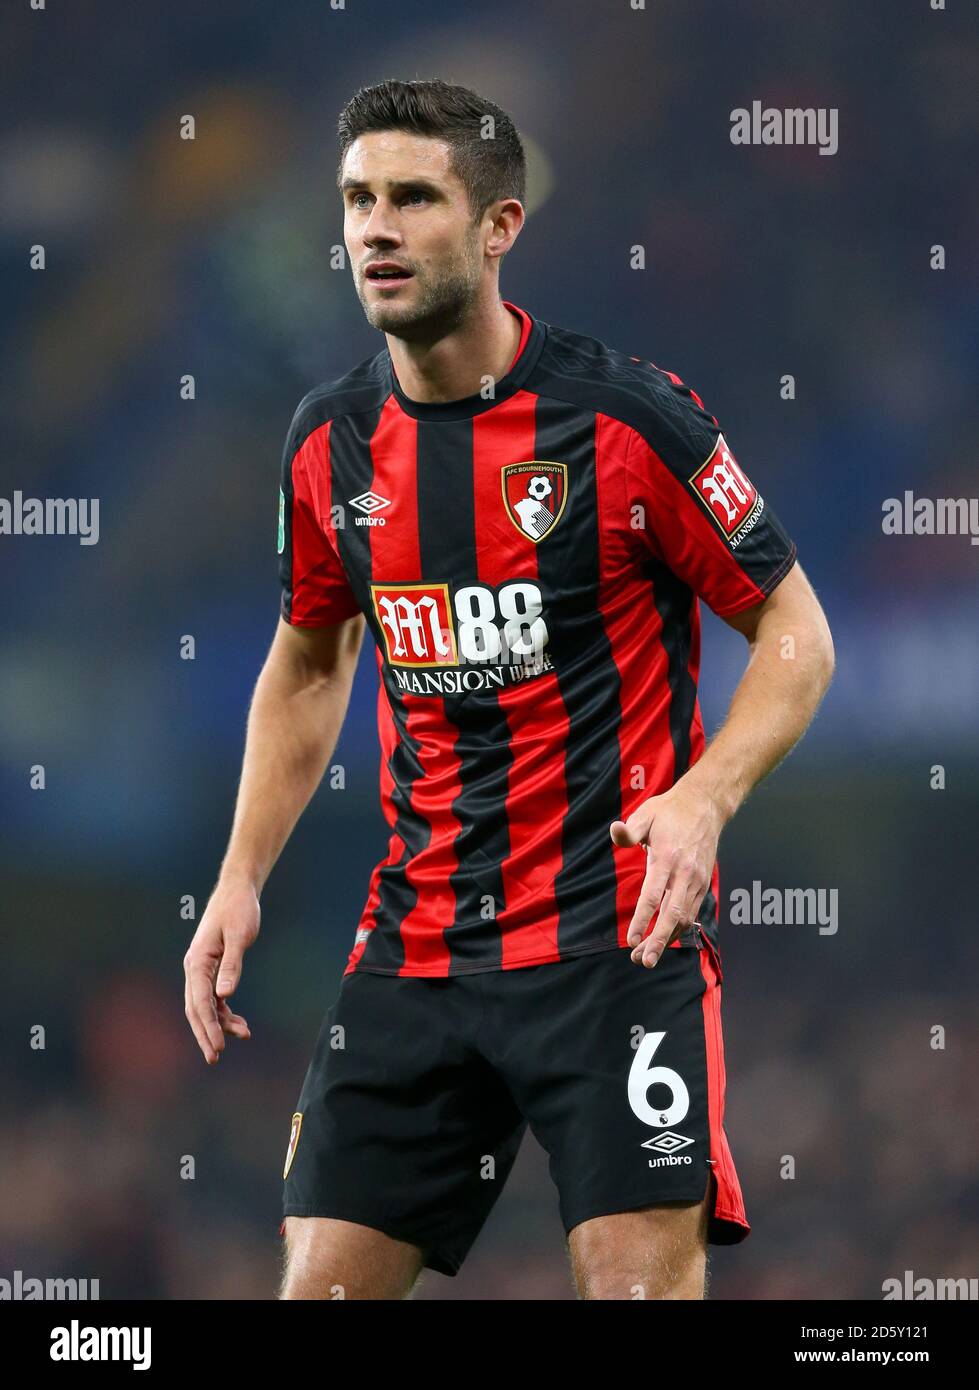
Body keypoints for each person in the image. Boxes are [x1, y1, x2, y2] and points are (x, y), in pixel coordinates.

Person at [182, 78, 835, 1300]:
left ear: (499, 226)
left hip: (611, 943)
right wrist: (239, 873)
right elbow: (312, 659)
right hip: (416, 947)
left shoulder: (627, 419)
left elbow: (794, 629)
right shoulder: (328, 444)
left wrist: (704, 795)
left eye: (413, 199)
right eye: (357, 199)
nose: (373, 227)